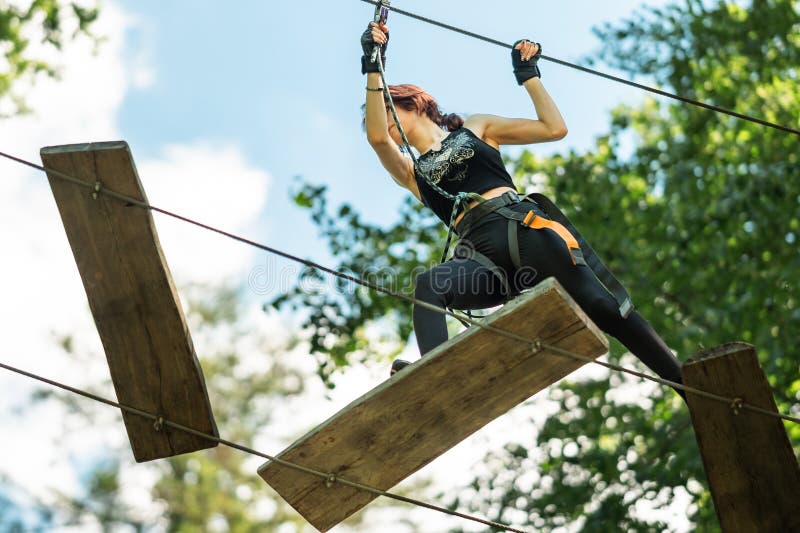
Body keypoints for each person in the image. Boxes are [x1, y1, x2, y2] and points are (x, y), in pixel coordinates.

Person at [360, 22, 684, 397]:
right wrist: (371, 63)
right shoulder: (412, 173)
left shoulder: (477, 127)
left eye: (383, 110)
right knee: (429, 285)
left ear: (410, 103)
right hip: (481, 257)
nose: (378, 121)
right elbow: (377, 138)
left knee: (605, 309)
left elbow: (553, 128)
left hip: (525, 230)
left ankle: (687, 385)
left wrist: (528, 75)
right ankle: (438, 373)